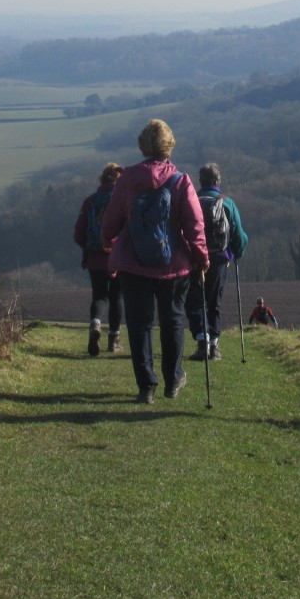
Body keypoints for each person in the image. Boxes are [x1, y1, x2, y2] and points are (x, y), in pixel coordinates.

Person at [100, 119, 208, 403]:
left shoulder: (126, 181)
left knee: (139, 324)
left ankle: (146, 385)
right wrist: (201, 258)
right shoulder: (180, 181)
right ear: (169, 146)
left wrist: (107, 242)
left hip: (132, 264)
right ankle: (173, 380)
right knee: (172, 321)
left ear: (143, 145)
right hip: (173, 266)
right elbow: (194, 225)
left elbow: (111, 221)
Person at [187, 163, 249, 362]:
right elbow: (239, 235)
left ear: (201, 180)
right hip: (221, 259)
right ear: (218, 181)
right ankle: (214, 346)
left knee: (195, 300)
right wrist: (235, 254)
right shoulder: (227, 203)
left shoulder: (192, 201)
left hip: (194, 258)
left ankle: (201, 340)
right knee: (214, 302)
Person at [72, 162, 124, 356]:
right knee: (116, 296)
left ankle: (95, 325)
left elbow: (78, 233)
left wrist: (88, 247)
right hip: (118, 258)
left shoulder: (90, 201)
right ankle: (114, 341)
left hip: (95, 257)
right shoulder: (123, 200)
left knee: (99, 296)